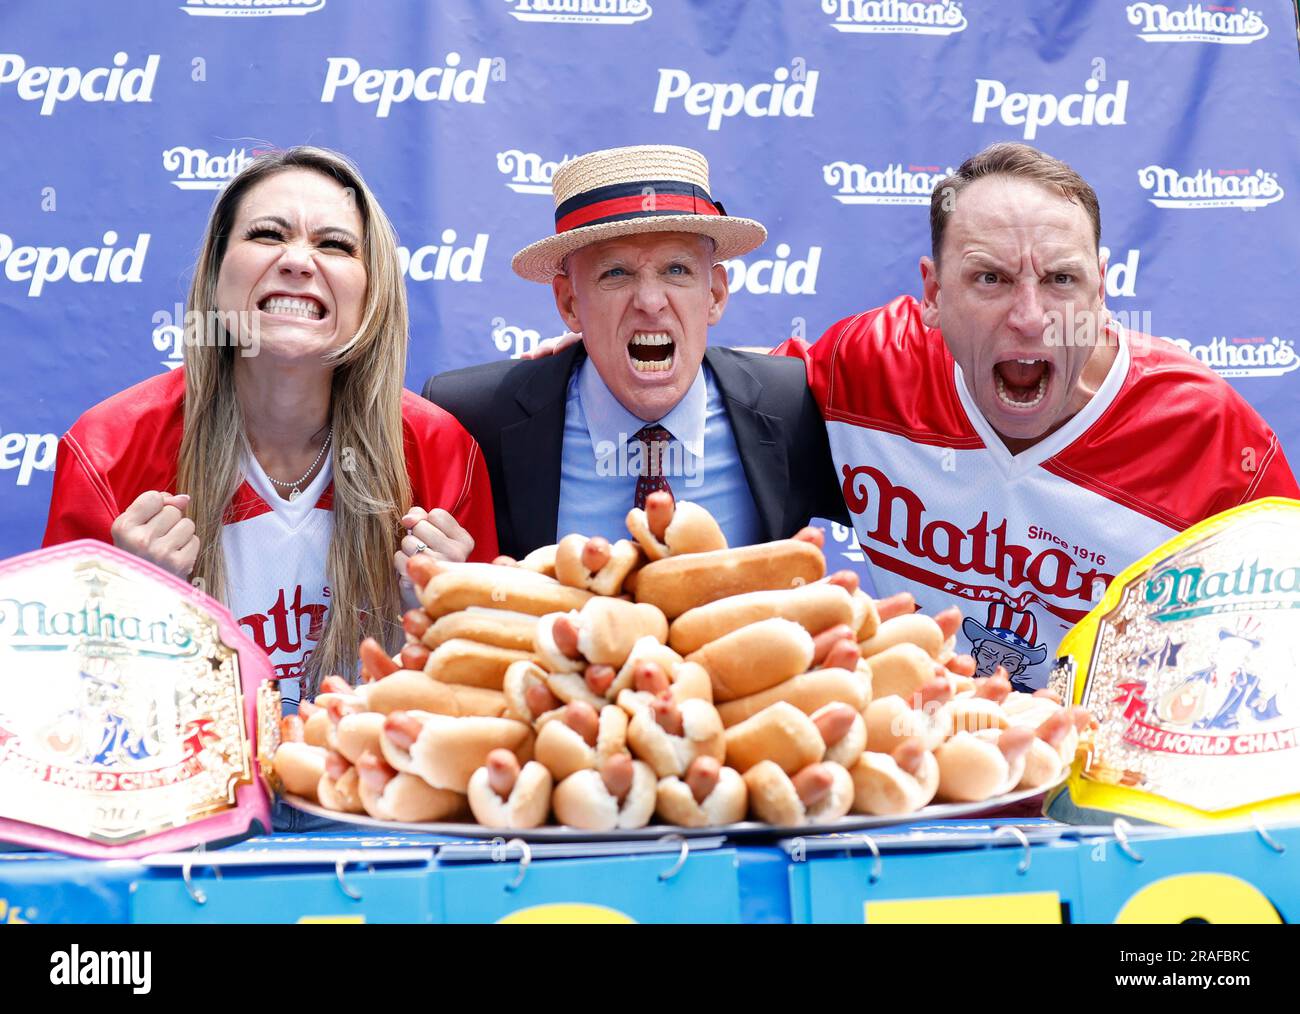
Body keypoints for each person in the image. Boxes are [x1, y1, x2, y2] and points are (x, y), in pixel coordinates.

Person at [780, 142, 1299, 691]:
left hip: (1102, 762)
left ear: (1101, 290)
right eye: (990, 279)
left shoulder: (1208, 435)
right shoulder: (870, 363)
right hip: (924, 746)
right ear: (932, 293)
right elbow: (724, 412)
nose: (1030, 319)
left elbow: (1279, 646)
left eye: (1060, 280)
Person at [42, 146, 498, 706]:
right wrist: (126, 608)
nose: (298, 261)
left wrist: (445, 619)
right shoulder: (109, 449)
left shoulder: (439, 449)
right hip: (192, 792)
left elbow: (481, 702)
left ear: (372, 292)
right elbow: (54, 706)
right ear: (214, 275)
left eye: (334, 245)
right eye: (266, 235)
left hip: (360, 789)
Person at [423, 144, 845, 558]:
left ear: (714, 293)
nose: (649, 300)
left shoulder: (793, 403)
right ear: (570, 303)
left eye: (676, 270)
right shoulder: (473, 418)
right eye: (616, 273)